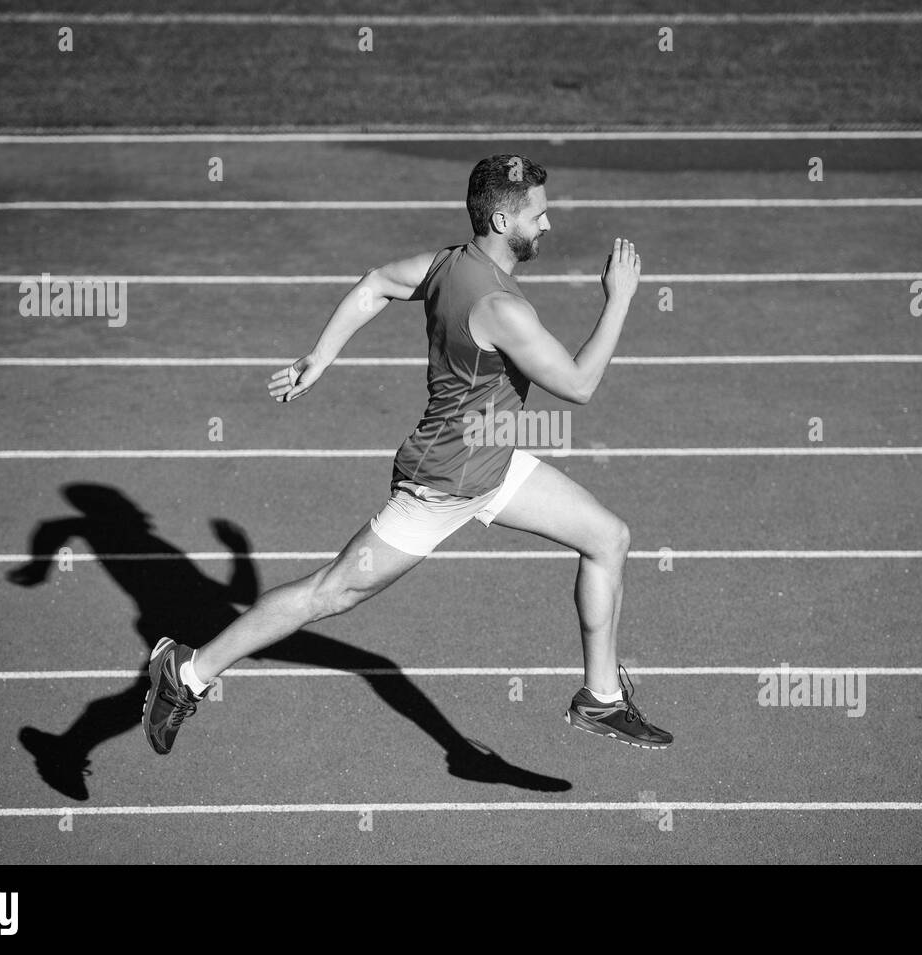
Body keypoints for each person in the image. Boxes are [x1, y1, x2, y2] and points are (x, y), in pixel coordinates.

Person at [142, 154, 672, 757]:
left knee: (608, 538)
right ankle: (187, 672)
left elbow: (373, 285)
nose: (548, 225)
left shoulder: (449, 264)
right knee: (331, 593)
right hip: (442, 483)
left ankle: (600, 698)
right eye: (539, 214)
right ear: (502, 220)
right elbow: (579, 386)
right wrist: (620, 298)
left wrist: (320, 356)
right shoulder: (502, 310)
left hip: (488, 459)